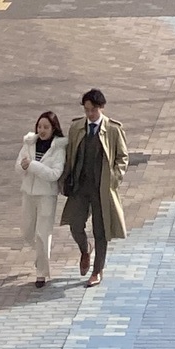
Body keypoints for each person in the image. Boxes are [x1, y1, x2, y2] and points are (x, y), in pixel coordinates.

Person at [60, 89, 128, 286]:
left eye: (93, 110)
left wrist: (114, 179)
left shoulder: (113, 130)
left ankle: (97, 270)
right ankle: (85, 249)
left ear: (101, 108)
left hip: (101, 189)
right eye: (87, 110)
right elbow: (69, 154)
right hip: (80, 187)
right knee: (75, 224)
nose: (89, 114)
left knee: (101, 230)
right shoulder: (76, 128)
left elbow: (122, 157)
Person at [16, 109, 66, 287]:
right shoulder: (29, 142)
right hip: (28, 193)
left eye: (46, 127)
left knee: (42, 234)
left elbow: (54, 174)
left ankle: (41, 273)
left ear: (53, 129)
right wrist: (23, 166)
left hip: (46, 195)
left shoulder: (58, 148)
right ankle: (40, 256)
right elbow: (18, 166)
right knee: (27, 231)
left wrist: (32, 165)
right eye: (40, 126)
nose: (42, 130)